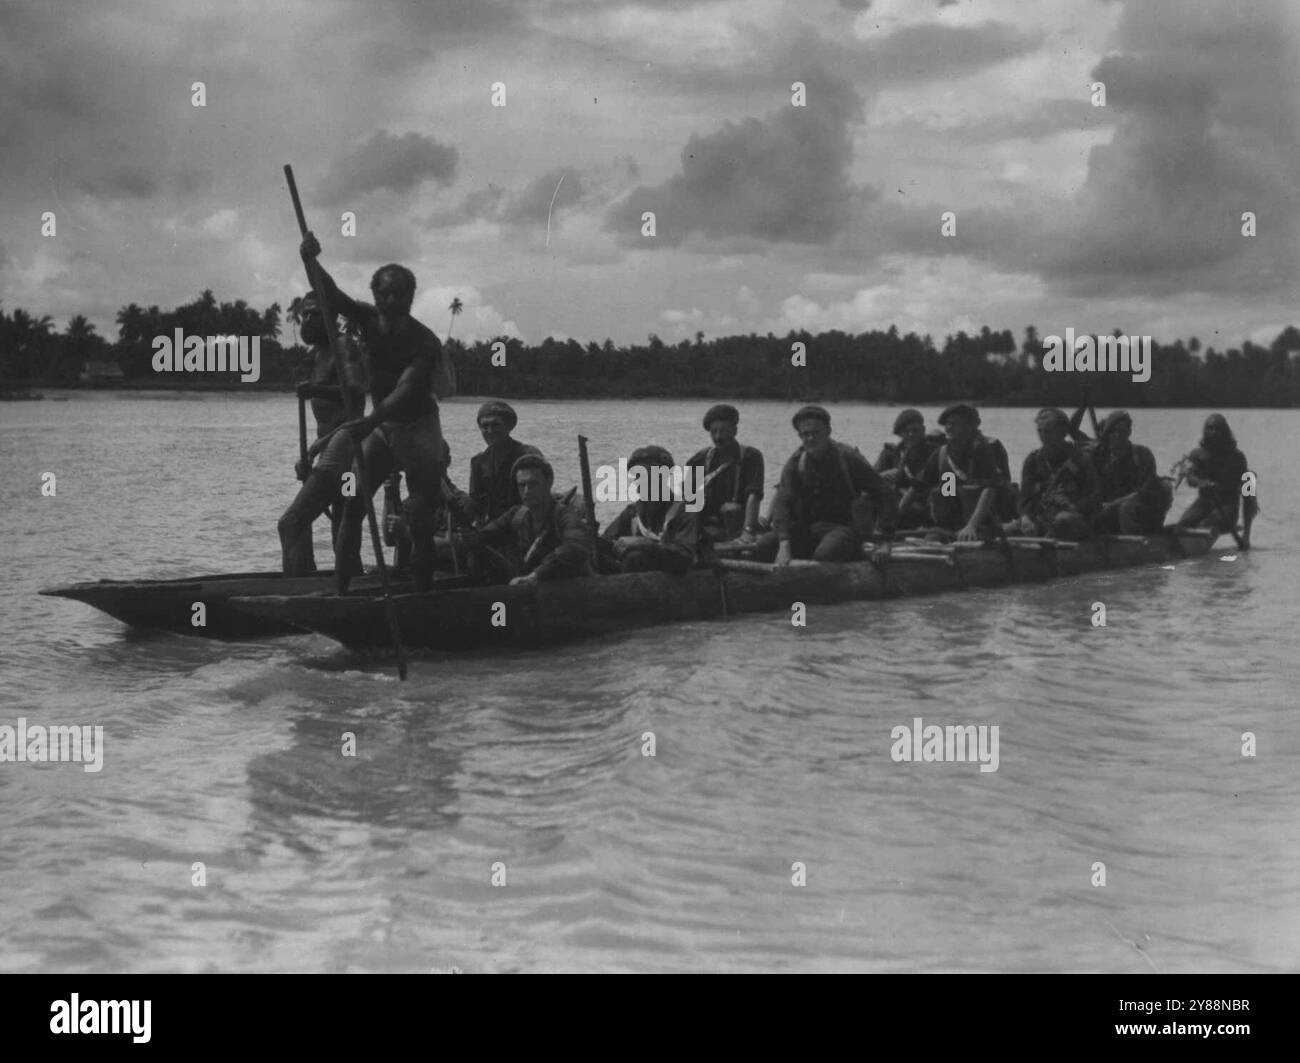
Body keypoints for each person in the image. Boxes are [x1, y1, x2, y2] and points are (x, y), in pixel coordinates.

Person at [299, 233, 455, 592]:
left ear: (410, 297)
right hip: (382, 428)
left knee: (418, 514)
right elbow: (332, 296)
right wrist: (310, 261)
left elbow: (407, 389)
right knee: (352, 506)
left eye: (399, 294)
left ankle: (422, 595)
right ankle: (341, 593)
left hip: (419, 428)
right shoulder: (367, 320)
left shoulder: (425, 341)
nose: (391, 300)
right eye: (384, 294)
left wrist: (368, 422)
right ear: (375, 295)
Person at [277, 292, 368, 576]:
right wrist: (310, 453)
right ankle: (344, 584)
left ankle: (300, 588)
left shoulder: (344, 346)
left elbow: (355, 395)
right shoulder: (320, 353)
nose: (308, 320)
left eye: (316, 314)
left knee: (292, 523)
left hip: (348, 451)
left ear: (332, 317)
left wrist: (314, 390)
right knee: (342, 523)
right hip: (332, 449)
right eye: (306, 315)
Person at [758, 405, 898, 565]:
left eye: (815, 433)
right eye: (805, 434)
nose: (810, 438)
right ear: (799, 436)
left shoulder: (847, 458)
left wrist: (886, 541)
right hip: (807, 528)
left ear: (828, 431)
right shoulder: (796, 463)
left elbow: (885, 493)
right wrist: (784, 544)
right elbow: (782, 503)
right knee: (764, 545)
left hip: (844, 527)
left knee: (827, 553)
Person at [463, 454, 593, 584]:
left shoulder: (564, 516)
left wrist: (536, 575)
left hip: (565, 589)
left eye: (533, 484)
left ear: (549, 482)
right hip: (528, 588)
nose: (526, 491)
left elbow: (576, 548)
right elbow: (484, 535)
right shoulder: (516, 514)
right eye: (522, 485)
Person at [902, 404, 1012, 542]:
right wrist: (892, 519)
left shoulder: (986, 450)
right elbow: (918, 486)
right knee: (931, 539)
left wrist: (972, 525)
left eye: (955, 424)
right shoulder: (942, 454)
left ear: (969, 426)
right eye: (947, 424)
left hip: (985, 525)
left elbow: (991, 488)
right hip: (950, 526)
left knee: (971, 540)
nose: (948, 428)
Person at [602, 446, 702, 574]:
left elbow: (685, 556)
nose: (640, 481)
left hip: (671, 581)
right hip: (637, 578)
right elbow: (607, 540)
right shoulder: (633, 513)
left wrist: (643, 544)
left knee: (636, 557)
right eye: (637, 476)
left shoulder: (684, 511)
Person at [1013, 407, 1100, 539]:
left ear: (1062, 432)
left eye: (1048, 431)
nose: (1043, 435)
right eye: (1040, 431)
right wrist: (1025, 518)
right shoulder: (1033, 460)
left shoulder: (1080, 459)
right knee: (1000, 531)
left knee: (1062, 520)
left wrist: (1070, 505)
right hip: (1041, 518)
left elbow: (1093, 496)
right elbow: (1024, 498)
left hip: (1074, 518)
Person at [685, 404, 765, 543]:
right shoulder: (700, 459)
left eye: (724, 431)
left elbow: (754, 496)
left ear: (735, 430)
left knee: (732, 510)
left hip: (737, 525)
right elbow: (688, 498)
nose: (718, 437)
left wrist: (748, 532)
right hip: (706, 525)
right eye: (713, 431)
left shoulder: (750, 457)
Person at [1173, 414, 1254, 544]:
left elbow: (1248, 497)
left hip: (1228, 508)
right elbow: (1190, 479)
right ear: (1205, 431)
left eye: (1218, 429)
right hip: (1204, 504)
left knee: (1204, 526)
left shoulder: (1237, 458)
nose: (1214, 433)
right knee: (1182, 525)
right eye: (1210, 428)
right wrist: (1203, 483)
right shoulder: (1197, 454)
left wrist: (1246, 536)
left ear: (1225, 432)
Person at [1088, 410, 1171, 534]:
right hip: (1110, 511)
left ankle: (1134, 546)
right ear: (1107, 434)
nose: (1117, 436)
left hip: (1140, 509)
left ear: (1129, 432)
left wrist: (1111, 505)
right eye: (1113, 431)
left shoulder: (1142, 455)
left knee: (1127, 508)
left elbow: (1142, 492)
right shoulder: (1099, 457)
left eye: (1122, 431)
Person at [469, 400, 541, 524]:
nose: (490, 431)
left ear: (509, 426)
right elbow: (476, 503)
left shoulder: (527, 455)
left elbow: (539, 496)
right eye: (485, 426)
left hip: (523, 523)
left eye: (496, 425)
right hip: (491, 527)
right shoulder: (478, 462)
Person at [875, 408, 943, 530]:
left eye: (915, 430)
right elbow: (869, 479)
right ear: (900, 434)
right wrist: (883, 476)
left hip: (928, 508)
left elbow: (949, 486)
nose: (911, 435)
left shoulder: (936, 453)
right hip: (896, 507)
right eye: (906, 431)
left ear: (923, 431)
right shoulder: (890, 454)